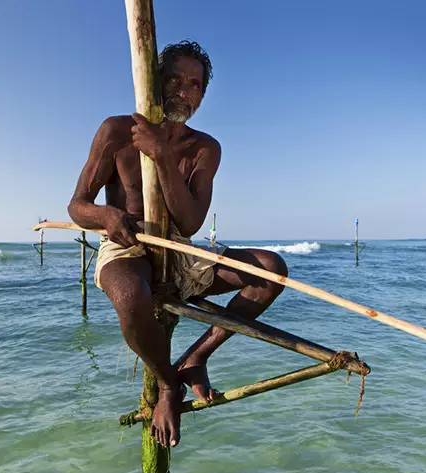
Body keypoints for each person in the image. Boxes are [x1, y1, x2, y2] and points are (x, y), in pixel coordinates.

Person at [67, 41, 288, 448]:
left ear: (203, 94)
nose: (184, 91)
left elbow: (189, 221)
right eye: (174, 78)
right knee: (132, 296)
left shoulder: (205, 148)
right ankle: (170, 383)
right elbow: (77, 206)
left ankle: (196, 358)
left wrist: (163, 156)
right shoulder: (116, 131)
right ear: (154, 80)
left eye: (195, 84)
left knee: (271, 270)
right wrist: (107, 217)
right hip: (127, 245)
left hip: (182, 251)